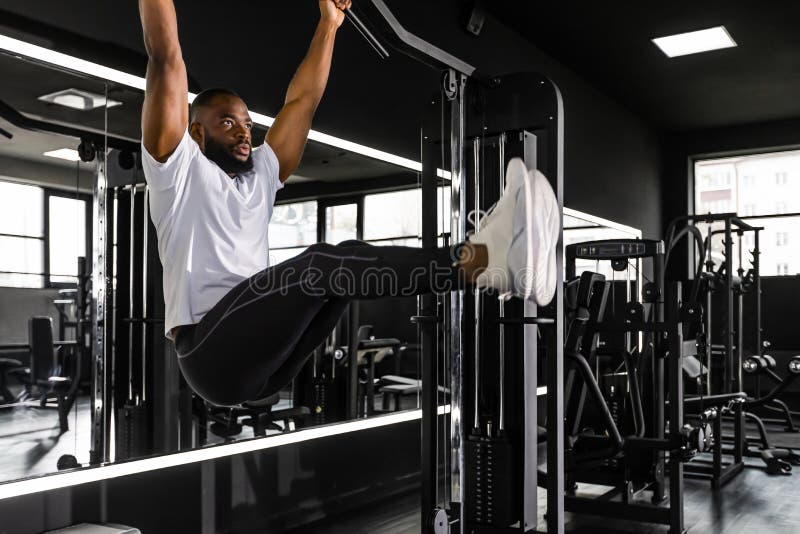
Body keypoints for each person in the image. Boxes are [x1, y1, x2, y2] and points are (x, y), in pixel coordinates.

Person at [138, 0, 560, 407]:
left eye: (248, 123)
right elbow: (166, 57)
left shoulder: (261, 177)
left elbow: (301, 101)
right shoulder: (178, 171)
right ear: (195, 133)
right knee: (320, 266)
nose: (244, 132)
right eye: (228, 123)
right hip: (209, 354)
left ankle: (498, 262)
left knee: (348, 256)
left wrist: (329, 24)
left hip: (265, 364)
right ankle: (486, 259)